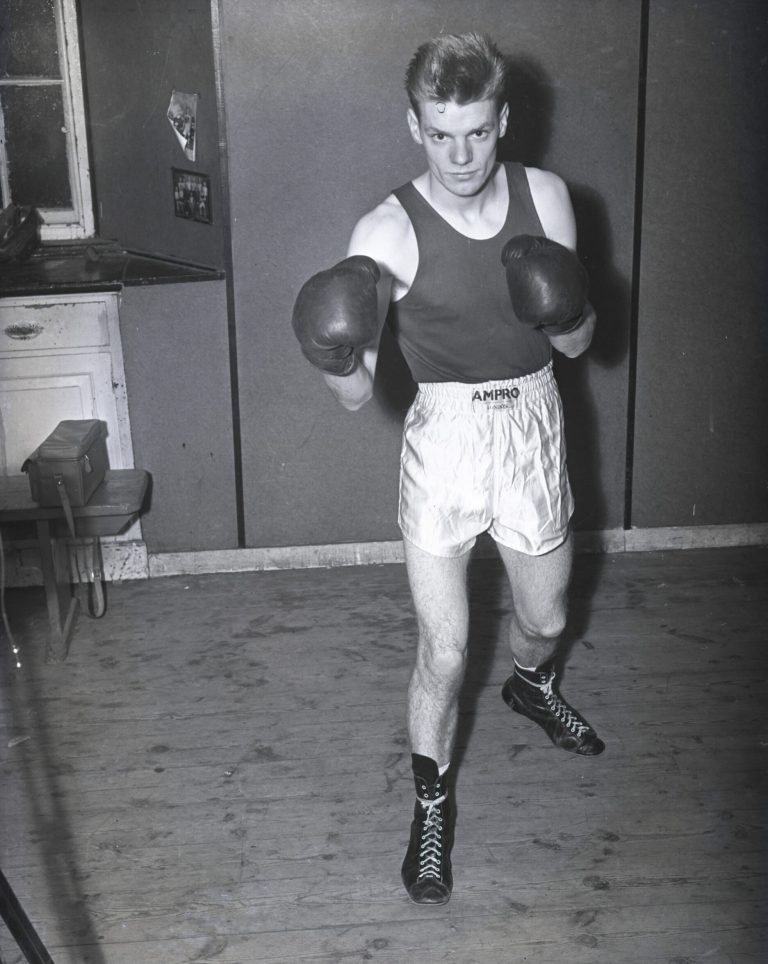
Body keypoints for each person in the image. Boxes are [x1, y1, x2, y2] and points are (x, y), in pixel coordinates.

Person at [292, 31, 603, 906]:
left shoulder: (547, 197)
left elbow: (578, 344)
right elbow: (358, 398)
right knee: (446, 647)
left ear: (503, 119)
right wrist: (332, 351)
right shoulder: (384, 231)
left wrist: (568, 304)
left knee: (543, 619)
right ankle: (431, 807)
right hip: (446, 435)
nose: (459, 155)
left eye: (476, 131)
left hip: (534, 417)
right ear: (413, 124)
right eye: (439, 133)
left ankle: (534, 687)